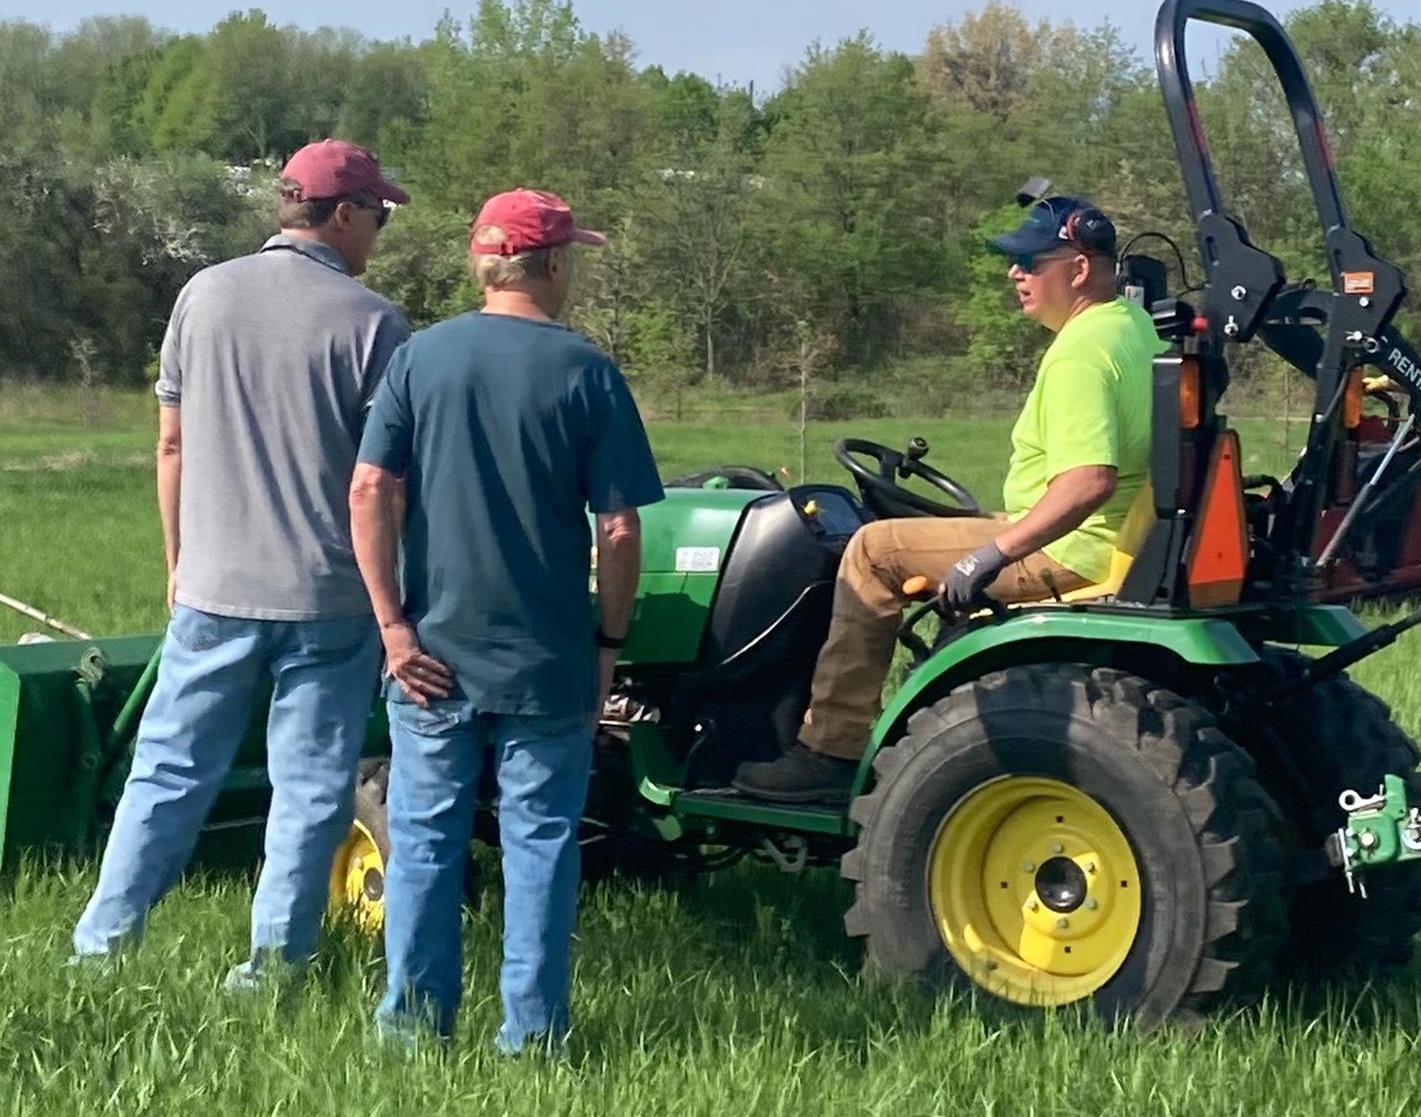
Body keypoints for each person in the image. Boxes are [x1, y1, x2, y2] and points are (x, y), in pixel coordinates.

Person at [71, 139, 448, 978]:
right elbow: (387, 482)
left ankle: (101, 951)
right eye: (378, 214)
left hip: (213, 586)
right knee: (311, 791)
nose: (378, 231)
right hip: (330, 601)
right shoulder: (372, 323)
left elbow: (170, 442)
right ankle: (274, 968)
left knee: (166, 772)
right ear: (342, 213)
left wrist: (180, 561)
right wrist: (401, 601)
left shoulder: (201, 295)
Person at [349, 187, 664, 1052]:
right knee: (539, 846)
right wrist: (608, 640)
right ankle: (532, 1034)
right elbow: (621, 525)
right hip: (548, 657)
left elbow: (372, 488)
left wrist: (392, 629)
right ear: (553, 264)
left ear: (484, 264)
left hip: (431, 653)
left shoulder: (419, 359)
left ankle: (413, 1029)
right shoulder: (587, 372)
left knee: (423, 840)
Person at [735, 192, 1159, 804]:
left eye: (1031, 261)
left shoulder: (1081, 354)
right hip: (1103, 540)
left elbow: (1089, 481)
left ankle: (830, 748)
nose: (1016, 273)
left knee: (873, 550)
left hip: (1073, 550)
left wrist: (989, 554)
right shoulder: (1131, 327)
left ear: (1080, 267)